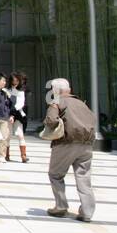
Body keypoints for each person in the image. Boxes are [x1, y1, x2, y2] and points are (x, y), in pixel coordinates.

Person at [44, 78, 97, 222]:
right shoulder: (82, 104)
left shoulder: (57, 102)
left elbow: (51, 121)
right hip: (86, 145)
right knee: (84, 178)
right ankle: (87, 212)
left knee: (55, 175)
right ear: (69, 90)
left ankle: (61, 206)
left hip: (66, 143)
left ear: (55, 91)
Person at [9, 71, 30, 163]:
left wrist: (13, 114)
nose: (15, 82)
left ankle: (23, 155)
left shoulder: (21, 90)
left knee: (20, 135)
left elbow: (21, 104)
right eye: (13, 80)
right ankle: (6, 155)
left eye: (17, 80)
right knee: (8, 136)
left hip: (18, 115)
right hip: (7, 115)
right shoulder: (7, 90)